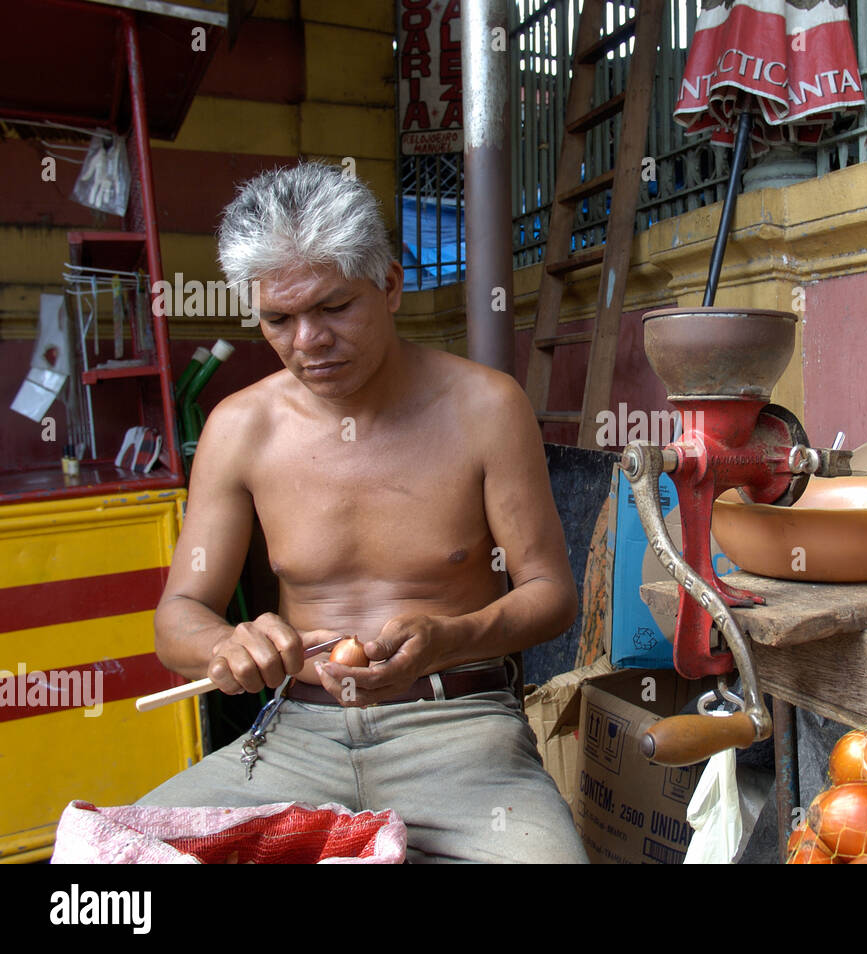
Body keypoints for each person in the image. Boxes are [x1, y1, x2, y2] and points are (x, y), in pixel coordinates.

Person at [137, 162, 589, 864]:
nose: (308, 341)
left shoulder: (486, 408)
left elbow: (552, 595)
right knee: (101, 866)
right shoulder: (240, 426)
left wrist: (451, 637)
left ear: (391, 285)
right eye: (278, 319)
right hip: (295, 738)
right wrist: (225, 646)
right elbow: (179, 617)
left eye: (334, 307)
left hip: (460, 731)